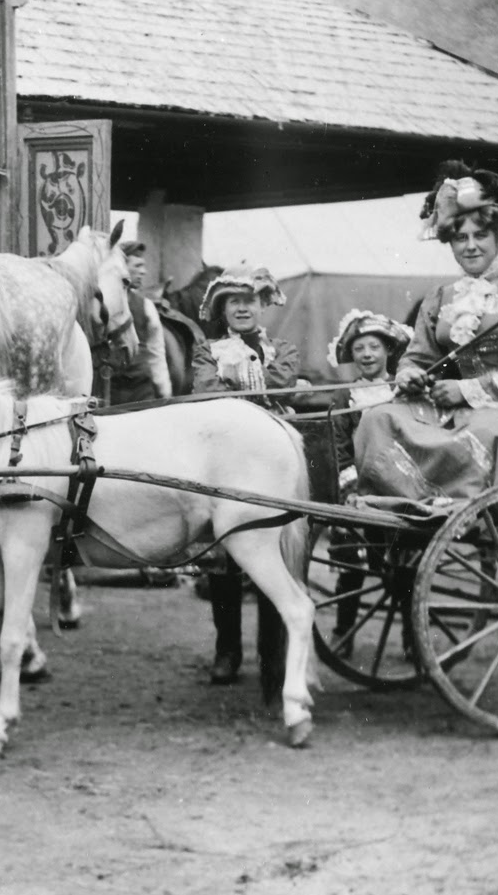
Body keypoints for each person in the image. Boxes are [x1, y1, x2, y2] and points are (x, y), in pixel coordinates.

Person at [354, 162, 498, 508]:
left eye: (480, 236)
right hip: (448, 410)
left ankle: (457, 509)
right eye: (461, 238)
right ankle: (408, 504)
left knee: (483, 431)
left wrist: (465, 389)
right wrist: (409, 374)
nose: (470, 246)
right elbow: (418, 356)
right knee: (377, 419)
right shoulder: (440, 297)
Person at [190, 262, 300, 684]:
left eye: (249, 300)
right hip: (224, 457)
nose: (242, 308)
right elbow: (205, 392)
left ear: (262, 304)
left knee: (272, 554)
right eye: (233, 301)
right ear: (222, 307)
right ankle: (227, 649)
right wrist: (248, 390)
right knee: (225, 557)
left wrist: (235, 385)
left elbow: (281, 382)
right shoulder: (207, 351)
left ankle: (272, 658)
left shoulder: (283, 348)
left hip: (270, 461)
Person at [323, 309, 412, 655]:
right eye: (359, 349)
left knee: (407, 566)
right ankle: (343, 632)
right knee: (351, 565)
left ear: (388, 351)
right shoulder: (345, 397)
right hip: (358, 489)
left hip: (399, 489)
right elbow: (339, 447)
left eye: (374, 346)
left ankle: (412, 638)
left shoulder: (402, 392)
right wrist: (351, 488)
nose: (367, 354)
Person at [105, 241, 173, 404]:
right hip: (110, 392)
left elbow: (156, 351)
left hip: (141, 391)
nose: (144, 272)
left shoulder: (146, 305)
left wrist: (165, 391)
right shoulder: (104, 304)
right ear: (121, 266)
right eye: (137, 266)